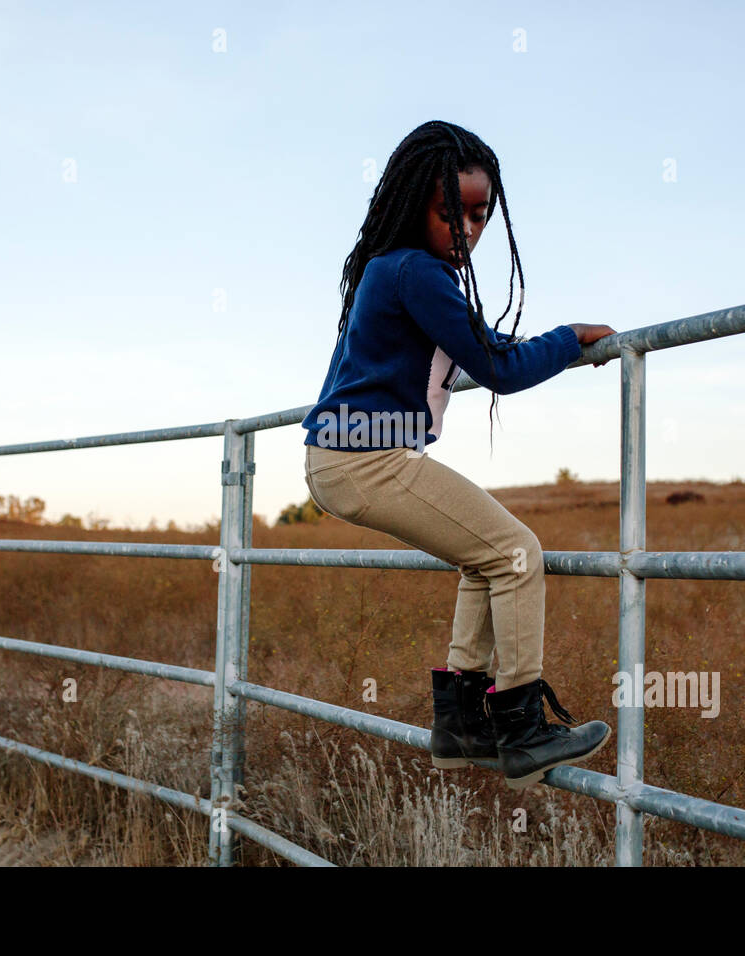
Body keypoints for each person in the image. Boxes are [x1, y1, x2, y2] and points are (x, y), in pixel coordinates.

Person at [300, 120, 616, 790]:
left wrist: (529, 346)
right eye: (452, 213)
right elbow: (498, 364)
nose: (468, 228)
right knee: (517, 553)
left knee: (486, 558)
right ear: (416, 204)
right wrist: (570, 340)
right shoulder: (417, 271)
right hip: (365, 459)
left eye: (481, 214)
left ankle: (462, 725)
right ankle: (523, 730)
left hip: (348, 455)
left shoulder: (390, 270)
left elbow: (476, 342)